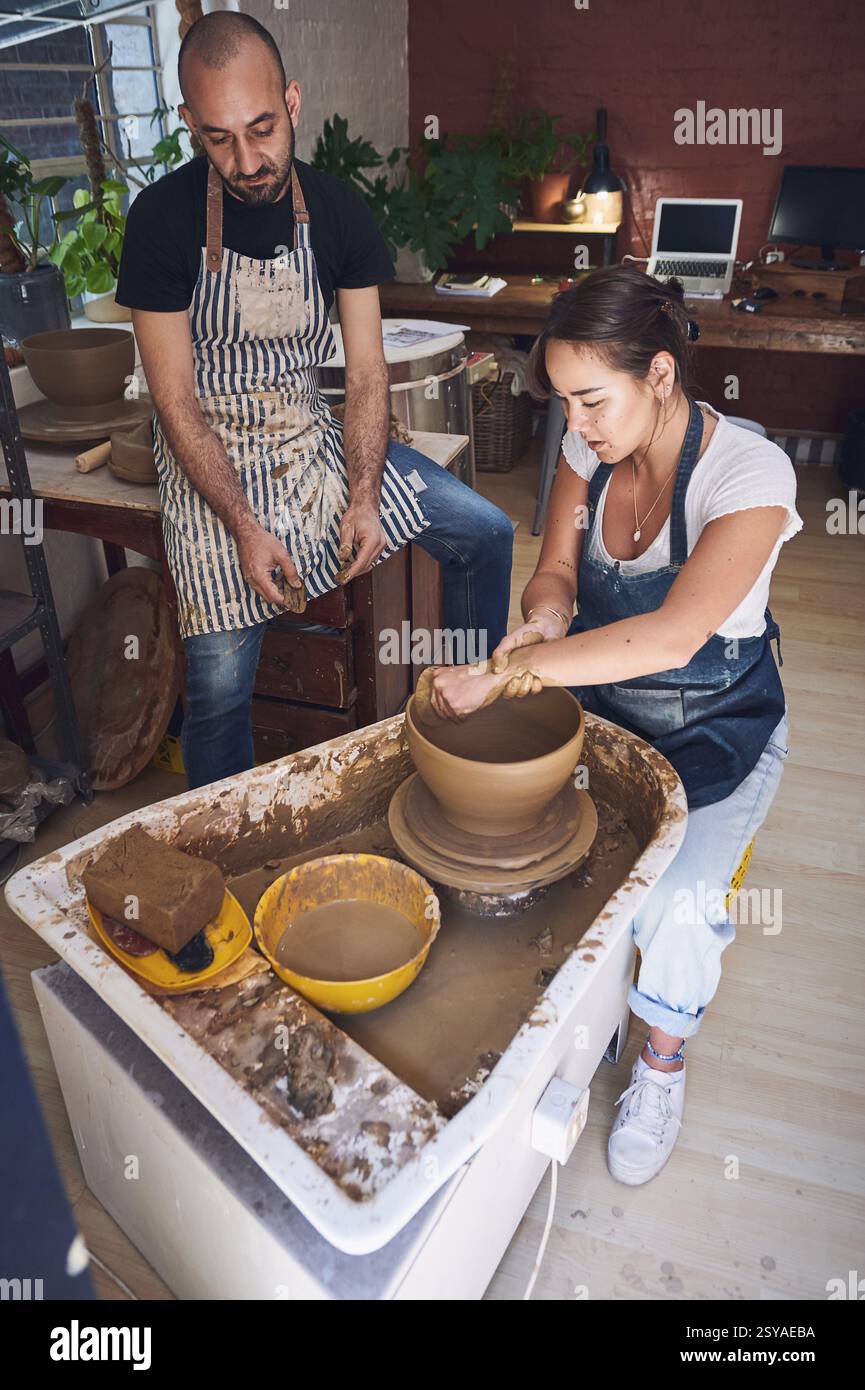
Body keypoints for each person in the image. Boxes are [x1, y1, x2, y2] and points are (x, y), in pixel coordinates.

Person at [429, 265, 801, 1186]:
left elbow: (675, 635)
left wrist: (506, 671)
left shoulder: (750, 474)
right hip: (610, 711)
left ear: (662, 375)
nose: (576, 426)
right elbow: (554, 569)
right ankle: (589, 1011)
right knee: (567, 861)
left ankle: (661, 1060)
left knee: (677, 904)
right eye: (562, 402)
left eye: (591, 400)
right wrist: (543, 620)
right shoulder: (589, 453)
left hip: (720, 728)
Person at [116, 12, 512, 789]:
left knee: (484, 533)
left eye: (262, 128)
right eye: (219, 138)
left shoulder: (337, 212)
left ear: (291, 102)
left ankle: (463, 719)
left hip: (306, 429)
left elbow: (365, 376)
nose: (247, 158)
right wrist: (241, 524)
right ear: (192, 127)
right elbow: (174, 400)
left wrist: (364, 494)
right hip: (209, 451)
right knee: (221, 687)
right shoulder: (160, 222)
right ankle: (222, 849)